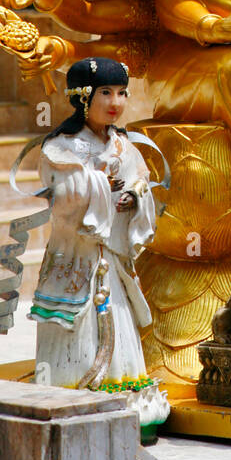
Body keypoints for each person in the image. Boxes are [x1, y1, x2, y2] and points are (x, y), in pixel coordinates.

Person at [31, 58, 159, 390]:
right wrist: (98, 183)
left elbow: (142, 182)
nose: (116, 103)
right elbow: (63, 198)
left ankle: (123, 386)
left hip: (112, 258)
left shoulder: (124, 145)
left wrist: (134, 197)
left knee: (119, 318)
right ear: (83, 97)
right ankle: (69, 387)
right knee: (75, 323)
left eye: (122, 93)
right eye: (105, 92)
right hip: (78, 256)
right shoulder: (61, 148)